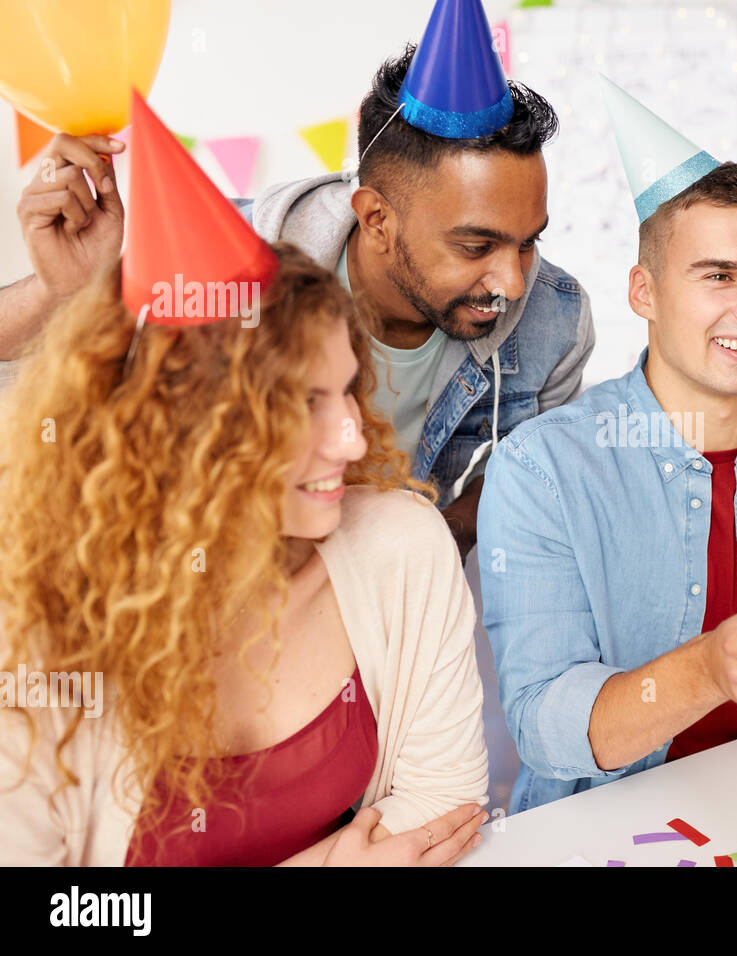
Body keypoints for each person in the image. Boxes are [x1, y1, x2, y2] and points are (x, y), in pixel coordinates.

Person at [0, 98, 489, 865]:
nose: (356, 436)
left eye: (346, 391)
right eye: (301, 404)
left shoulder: (400, 547)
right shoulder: (38, 637)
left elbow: (445, 811)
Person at [0, 0, 596, 560]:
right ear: (376, 219)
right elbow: (38, 397)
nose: (512, 282)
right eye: (476, 245)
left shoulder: (555, 318)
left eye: (529, 240)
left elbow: (528, 476)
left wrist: (417, 551)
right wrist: (65, 292)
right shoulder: (222, 258)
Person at [476, 78, 737, 812]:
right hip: (607, 827)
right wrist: (707, 670)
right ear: (643, 292)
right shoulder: (542, 469)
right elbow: (543, 725)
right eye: (719, 276)